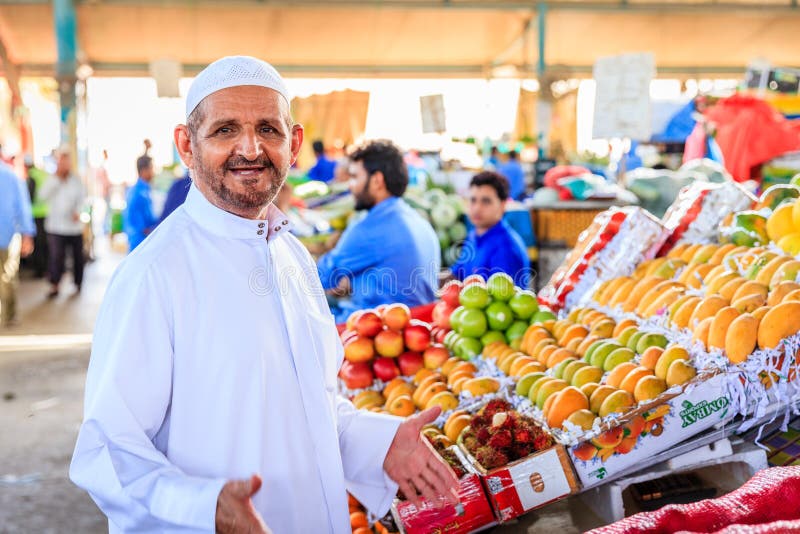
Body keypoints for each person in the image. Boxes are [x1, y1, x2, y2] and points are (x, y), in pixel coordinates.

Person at [69, 56, 458, 534]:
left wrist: (380, 443)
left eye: (268, 130)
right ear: (187, 145)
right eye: (226, 130)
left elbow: (314, 404)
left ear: (292, 144)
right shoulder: (154, 275)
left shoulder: (292, 256)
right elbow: (107, 449)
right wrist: (203, 506)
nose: (250, 148)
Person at [317, 140, 440, 322]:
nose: (350, 186)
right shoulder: (417, 220)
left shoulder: (369, 227)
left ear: (377, 181)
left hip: (378, 330)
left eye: (355, 177)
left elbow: (320, 278)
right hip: (415, 323)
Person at [451, 171, 530, 288]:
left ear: (503, 205)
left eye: (486, 201)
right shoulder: (473, 235)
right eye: (473, 200)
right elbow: (456, 274)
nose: (477, 208)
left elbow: (501, 299)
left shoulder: (507, 248)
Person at [39, 149, 85, 298]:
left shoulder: (76, 181)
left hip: (74, 227)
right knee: (56, 257)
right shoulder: (51, 180)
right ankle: (55, 284)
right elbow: (42, 196)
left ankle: (78, 283)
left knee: (78, 257)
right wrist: (56, 179)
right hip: (56, 227)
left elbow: (82, 199)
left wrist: (78, 211)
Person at [0, 161, 35, 326]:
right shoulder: (12, 175)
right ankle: (9, 315)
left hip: (8, 233)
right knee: (8, 275)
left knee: (7, 275)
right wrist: (28, 233)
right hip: (9, 235)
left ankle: (9, 314)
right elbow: (23, 206)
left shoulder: (10, 175)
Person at [123, 154, 158, 251]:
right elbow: (142, 228)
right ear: (143, 171)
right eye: (151, 168)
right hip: (139, 245)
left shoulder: (141, 190)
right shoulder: (139, 194)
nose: (153, 172)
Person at [23, 155, 49, 277]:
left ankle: (40, 270)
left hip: (36, 214)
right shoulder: (42, 174)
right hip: (46, 213)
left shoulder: (32, 176)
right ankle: (46, 268)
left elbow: (30, 197)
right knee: (45, 243)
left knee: (38, 244)